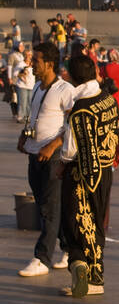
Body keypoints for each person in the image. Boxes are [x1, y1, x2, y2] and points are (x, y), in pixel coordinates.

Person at [57, 51, 119, 297]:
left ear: (73, 78)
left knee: (79, 221)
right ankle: (94, 271)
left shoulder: (80, 109)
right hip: (105, 170)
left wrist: (61, 164)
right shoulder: (107, 98)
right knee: (97, 219)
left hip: (81, 175)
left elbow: (70, 149)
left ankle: (85, 269)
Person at [17, 42, 74, 277]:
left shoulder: (65, 89)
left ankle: (42, 258)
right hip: (35, 154)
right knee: (45, 206)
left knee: (50, 208)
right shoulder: (39, 87)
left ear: (50, 63)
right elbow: (35, 117)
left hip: (53, 158)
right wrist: (24, 135)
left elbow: (73, 123)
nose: (31, 65)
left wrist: (53, 145)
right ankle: (70, 249)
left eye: (36, 60)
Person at [15, 49, 35, 125]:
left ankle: (28, 117)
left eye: (29, 55)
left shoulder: (33, 64)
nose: (28, 56)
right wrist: (22, 74)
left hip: (31, 86)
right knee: (22, 102)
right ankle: (20, 117)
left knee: (30, 102)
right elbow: (15, 73)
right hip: (22, 86)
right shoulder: (21, 64)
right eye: (26, 55)